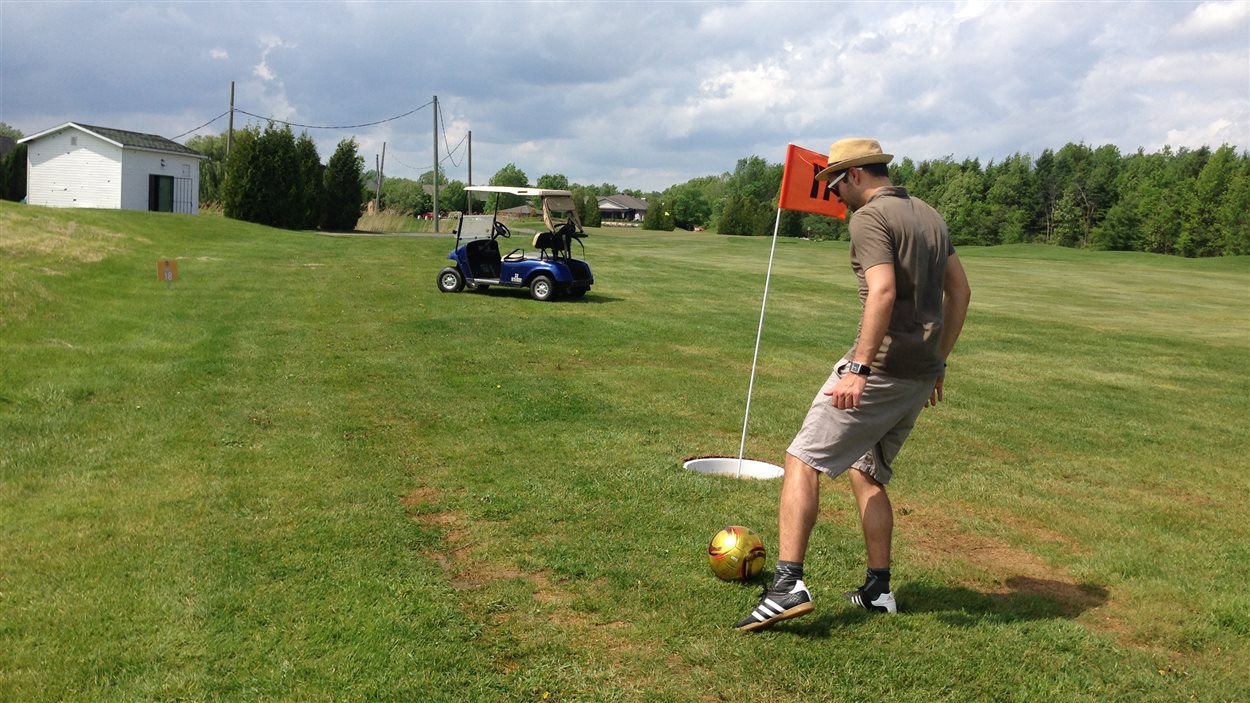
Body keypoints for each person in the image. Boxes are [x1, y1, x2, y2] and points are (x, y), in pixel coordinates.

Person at [735, 138, 971, 632]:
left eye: (834, 184)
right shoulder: (929, 214)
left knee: (802, 459)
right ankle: (879, 588)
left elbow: (882, 291)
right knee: (868, 472)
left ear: (856, 175)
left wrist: (859, 369)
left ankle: (787, 585)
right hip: (918, 374)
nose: (834, 195)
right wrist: (938, 363)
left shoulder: (868, 218)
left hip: (881, 368)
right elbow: (961, 291)